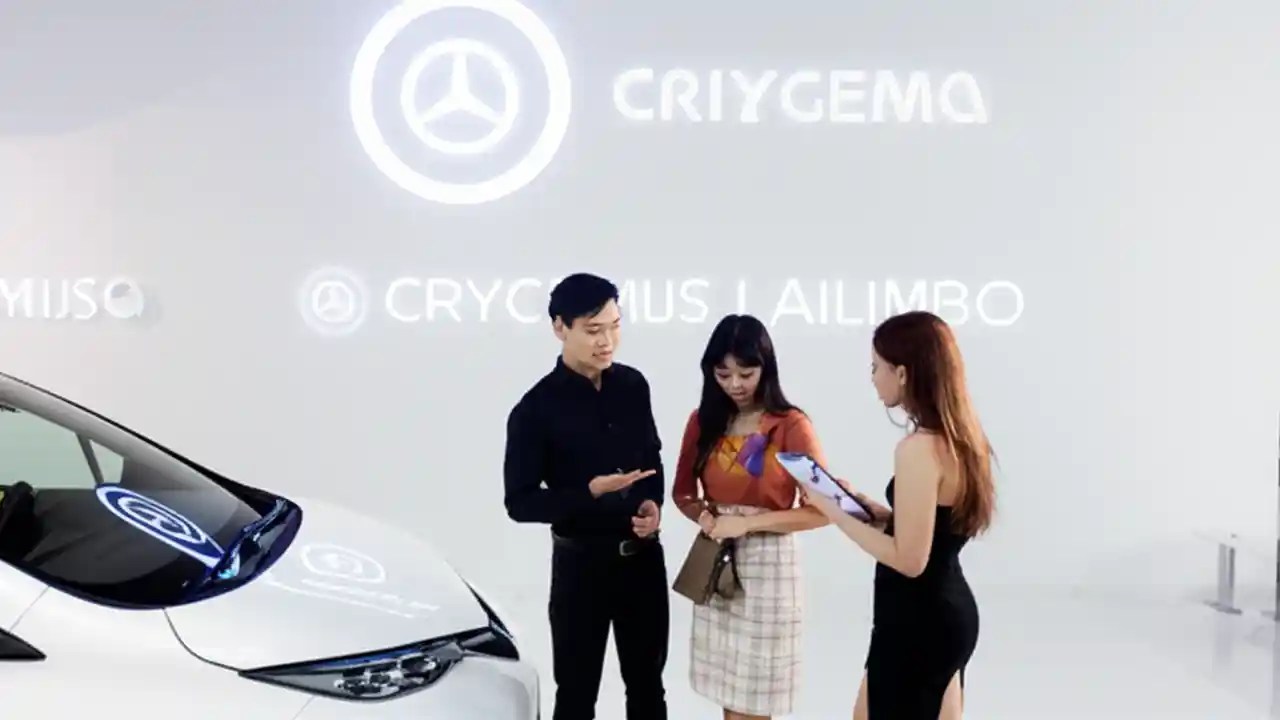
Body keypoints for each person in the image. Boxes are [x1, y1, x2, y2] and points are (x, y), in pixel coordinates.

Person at [799, 310, 996, 720]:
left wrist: (835, 511)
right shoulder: (961, 439)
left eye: (876, 367)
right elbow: (937, 530)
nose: (872, 378)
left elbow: (909, 560)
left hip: (917, 620)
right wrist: (879, 513)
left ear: (903, 373)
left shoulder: (918, 449)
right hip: (945, 612)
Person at [503, 272, 669, 720]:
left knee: (649, 689)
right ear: (560, 327)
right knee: (576, 694)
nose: (607, 340)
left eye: (615, 326)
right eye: (594, 330)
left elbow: (653, 459)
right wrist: (587, 494)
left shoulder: (634, 386)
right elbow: (519, 502)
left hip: (643, 562)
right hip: (581, 569)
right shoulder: (534, 409)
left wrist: (654, 506)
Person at [670, 313, 831, 720]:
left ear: (766, 368)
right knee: (730, 693)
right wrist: (704, 516)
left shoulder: (789, 425)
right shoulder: (704, 421)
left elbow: (823, 508)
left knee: (758, 695)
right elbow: (683, 493)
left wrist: (747, 523)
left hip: (770, 570)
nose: (735, 384)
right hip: (718, 562)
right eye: (723, 374)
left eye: (746, 372)